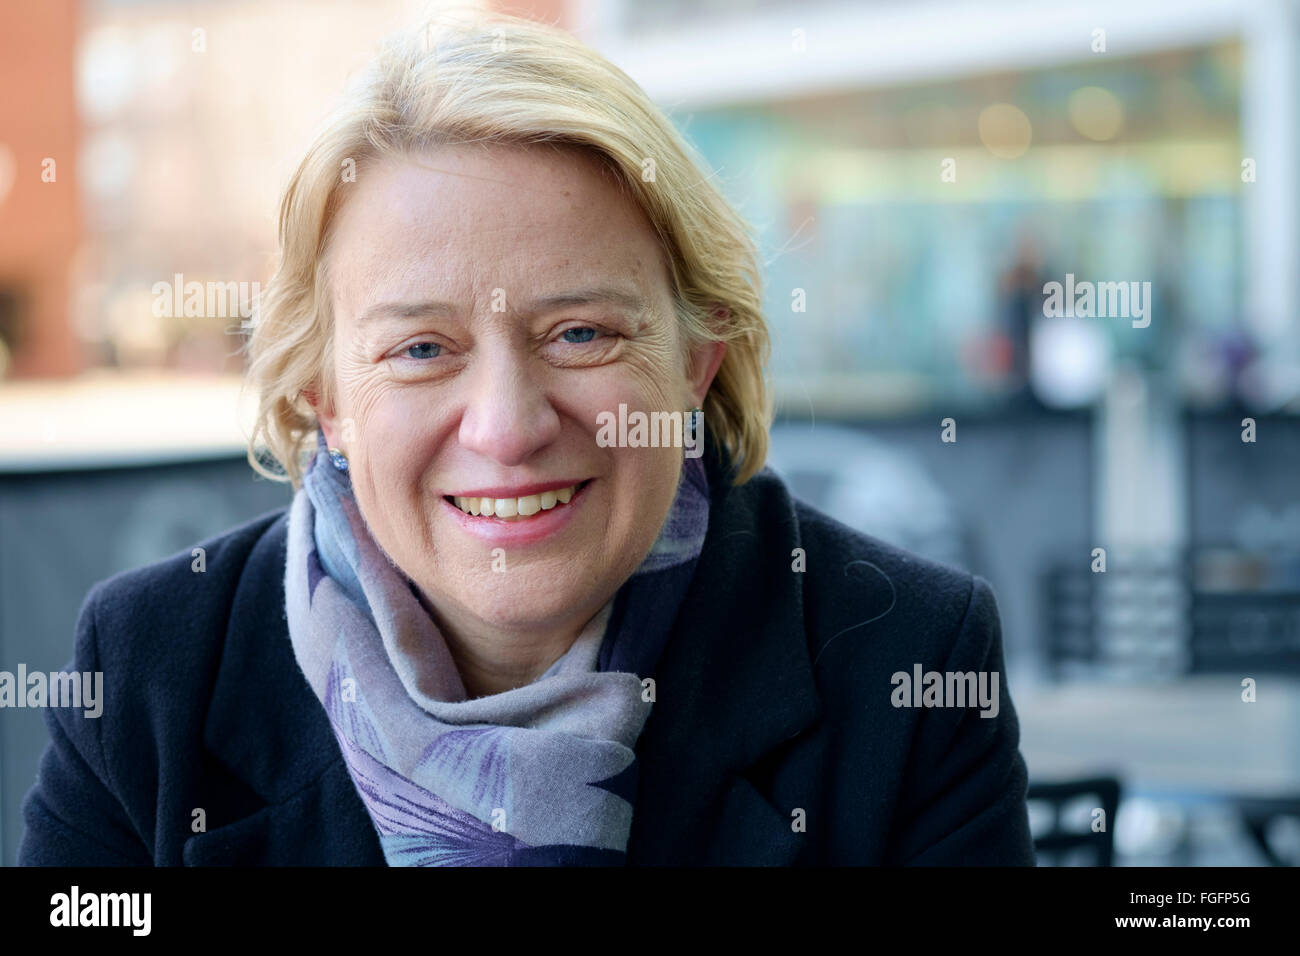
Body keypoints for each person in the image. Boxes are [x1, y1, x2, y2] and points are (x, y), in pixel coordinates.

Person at [19, 13, 1034, 866]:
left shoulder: (904, 661)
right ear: (325, 392)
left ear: (696, 356)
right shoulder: (151, 670)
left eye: (580, 332)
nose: (506, 427)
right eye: (421, 347)